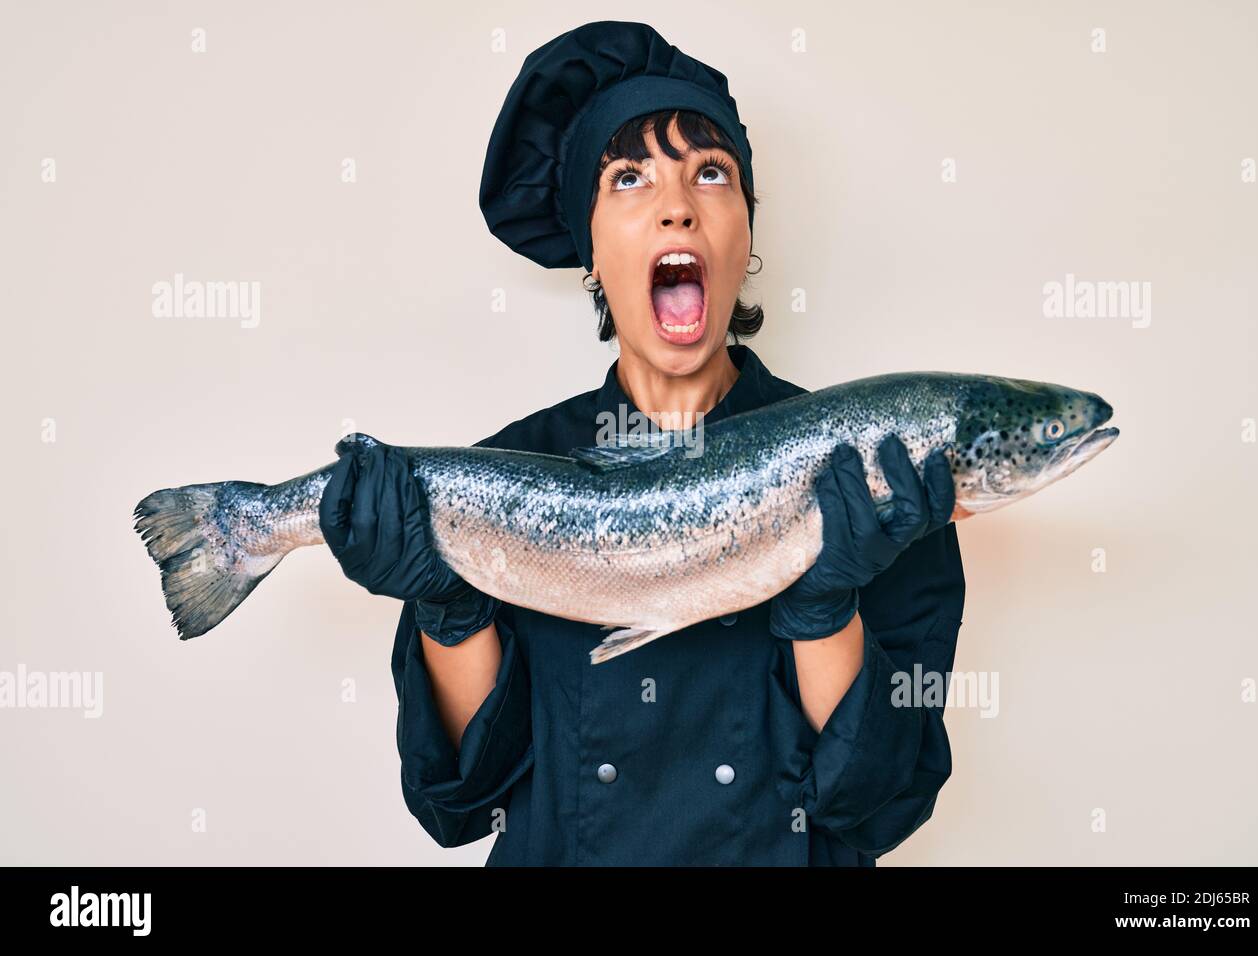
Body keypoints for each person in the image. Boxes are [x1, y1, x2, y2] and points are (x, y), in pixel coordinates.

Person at [318, 20, 966, 866]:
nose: (677, 204)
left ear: (745, 234)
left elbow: (878, 806)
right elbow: (460, 804)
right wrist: (452, 607)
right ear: (591, 250)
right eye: (629, 177)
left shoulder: (881, 480)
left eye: (711, 172)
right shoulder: (497, 486)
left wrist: (824, 606)